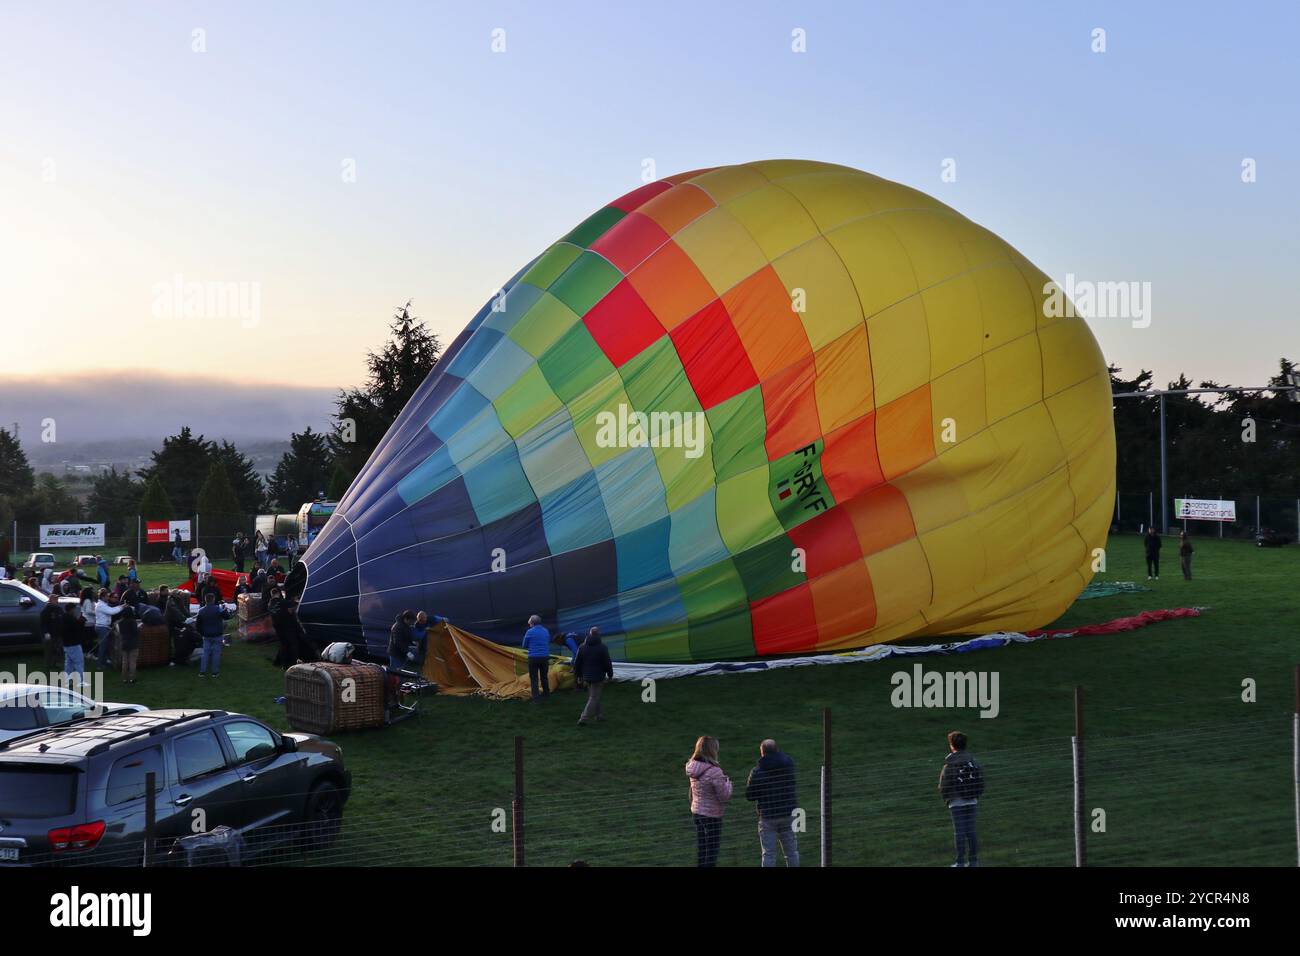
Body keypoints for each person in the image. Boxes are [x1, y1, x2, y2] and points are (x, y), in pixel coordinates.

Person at [744, 739, 800, 867]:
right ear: (777, 749)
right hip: (788, 813)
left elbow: (750, 795)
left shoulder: (757, 771)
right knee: (791, 852)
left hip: (768, 816)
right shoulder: (789, 764)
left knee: (769, 853)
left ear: (762, 753)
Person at [938, 731, 984, 868]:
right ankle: (974, 861)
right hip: (972, 800)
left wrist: (947, 799)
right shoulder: (973, 761)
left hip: (956, 802)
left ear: (952, 745)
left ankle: (960, 862)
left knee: (959, 832)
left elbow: (943, 785)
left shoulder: (949, 764)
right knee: (971, 831)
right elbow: (981, 779)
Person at [685, 735, 732, 867]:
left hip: (697, 811)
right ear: (713, 750)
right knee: (711, 852)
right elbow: (725, 796)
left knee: (702, 848)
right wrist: (728, 783)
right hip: (712, 815)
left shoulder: (692, 766)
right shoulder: (715, 771)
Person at [574, 626, 612, 725]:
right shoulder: (602, 647)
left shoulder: (582, 647)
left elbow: (577, 663)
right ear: (599, 634)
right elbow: (607, 663)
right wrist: (610, 674)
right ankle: (583, 718)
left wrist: (578, 676)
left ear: (589, 634)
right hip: (598, 676)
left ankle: (599, 715)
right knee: (594, 697)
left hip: (586, 676)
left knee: (594, 696)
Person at [195, 591, 231, 678]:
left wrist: (202, 633)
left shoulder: (201, 611)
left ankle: (202, 672)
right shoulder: (218, 608)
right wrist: (224, 608)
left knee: (205, 653)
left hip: (206, 635)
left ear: (205, 600)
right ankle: (215, 672)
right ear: (213, 599)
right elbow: (227, 616)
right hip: (217, 634)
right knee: (216, 653)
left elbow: (198, 625)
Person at [522, 614, 552, 701]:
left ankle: (536, 698)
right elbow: (547, 641)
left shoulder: (530, 632)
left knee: (534, 678)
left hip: (534, 658)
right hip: (545, 657)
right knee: (544, 676)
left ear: (532, 622)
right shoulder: (546, 631)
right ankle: (546, 694)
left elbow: (524, 645)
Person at [94, 588, 125, 666]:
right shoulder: (101, 605)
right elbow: (112, 611)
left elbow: (111, 609)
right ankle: (100, 664)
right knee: (103, 646)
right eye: (107, 596)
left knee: (105, 645)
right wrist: (122, 607)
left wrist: (121, 606)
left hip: (103, 627)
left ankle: (104, 661)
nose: (108, 598)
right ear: (102, 597)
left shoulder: (103, 604)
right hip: (102, 627)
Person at [40, 592, 65, 675]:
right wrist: (46, 633)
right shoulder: (46, 610)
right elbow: (43, 623)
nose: (57, 601)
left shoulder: (59, 609)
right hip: (50, 635)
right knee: (49, 651)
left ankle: (57, 664)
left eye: (57, 599)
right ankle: (48, 667)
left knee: (59, 650)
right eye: (55, 599)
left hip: (59, 634)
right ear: (51, 600)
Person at [116, 602, 141, 685]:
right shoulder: (133, 622)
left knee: (125, 661)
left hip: (124, 643)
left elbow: (120, 632)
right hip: (133, 643)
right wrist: (139, 627)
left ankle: (124, 679)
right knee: (132, 662)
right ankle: (132, 678)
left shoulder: (120, 622)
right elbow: (135, 632)